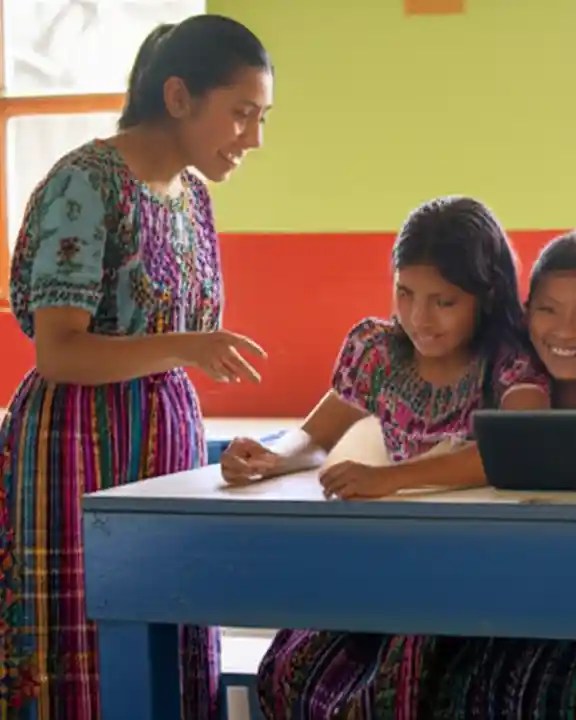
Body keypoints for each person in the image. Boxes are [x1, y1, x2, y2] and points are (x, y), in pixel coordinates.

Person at [0, 15, 272, 719]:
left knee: (174, 631)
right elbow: (59, 351)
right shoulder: (85, 184)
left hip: (164, 440)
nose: (253, 138)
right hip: (75, 452)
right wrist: (187, 347)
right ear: (178, 97)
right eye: (241, 113)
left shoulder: (194, 198)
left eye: (262, 118)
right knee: (82, 651)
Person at [243, 196, 550, 718]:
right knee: (292, 671)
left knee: (406, 686)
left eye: (443, 301)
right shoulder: (377, 352)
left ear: (487, 293)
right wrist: (271, 458)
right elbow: (314, 435)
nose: (418, 318)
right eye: (405, 293)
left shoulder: (511, 361)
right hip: (389, 562)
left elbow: (518, 451)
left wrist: (391, 479)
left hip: (482, 571)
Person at [427, 229, 576, 718]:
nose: (565, 331)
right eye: (548, 309)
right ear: (526, 314)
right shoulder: (506, 395)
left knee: (559, 699)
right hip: (507, 597)